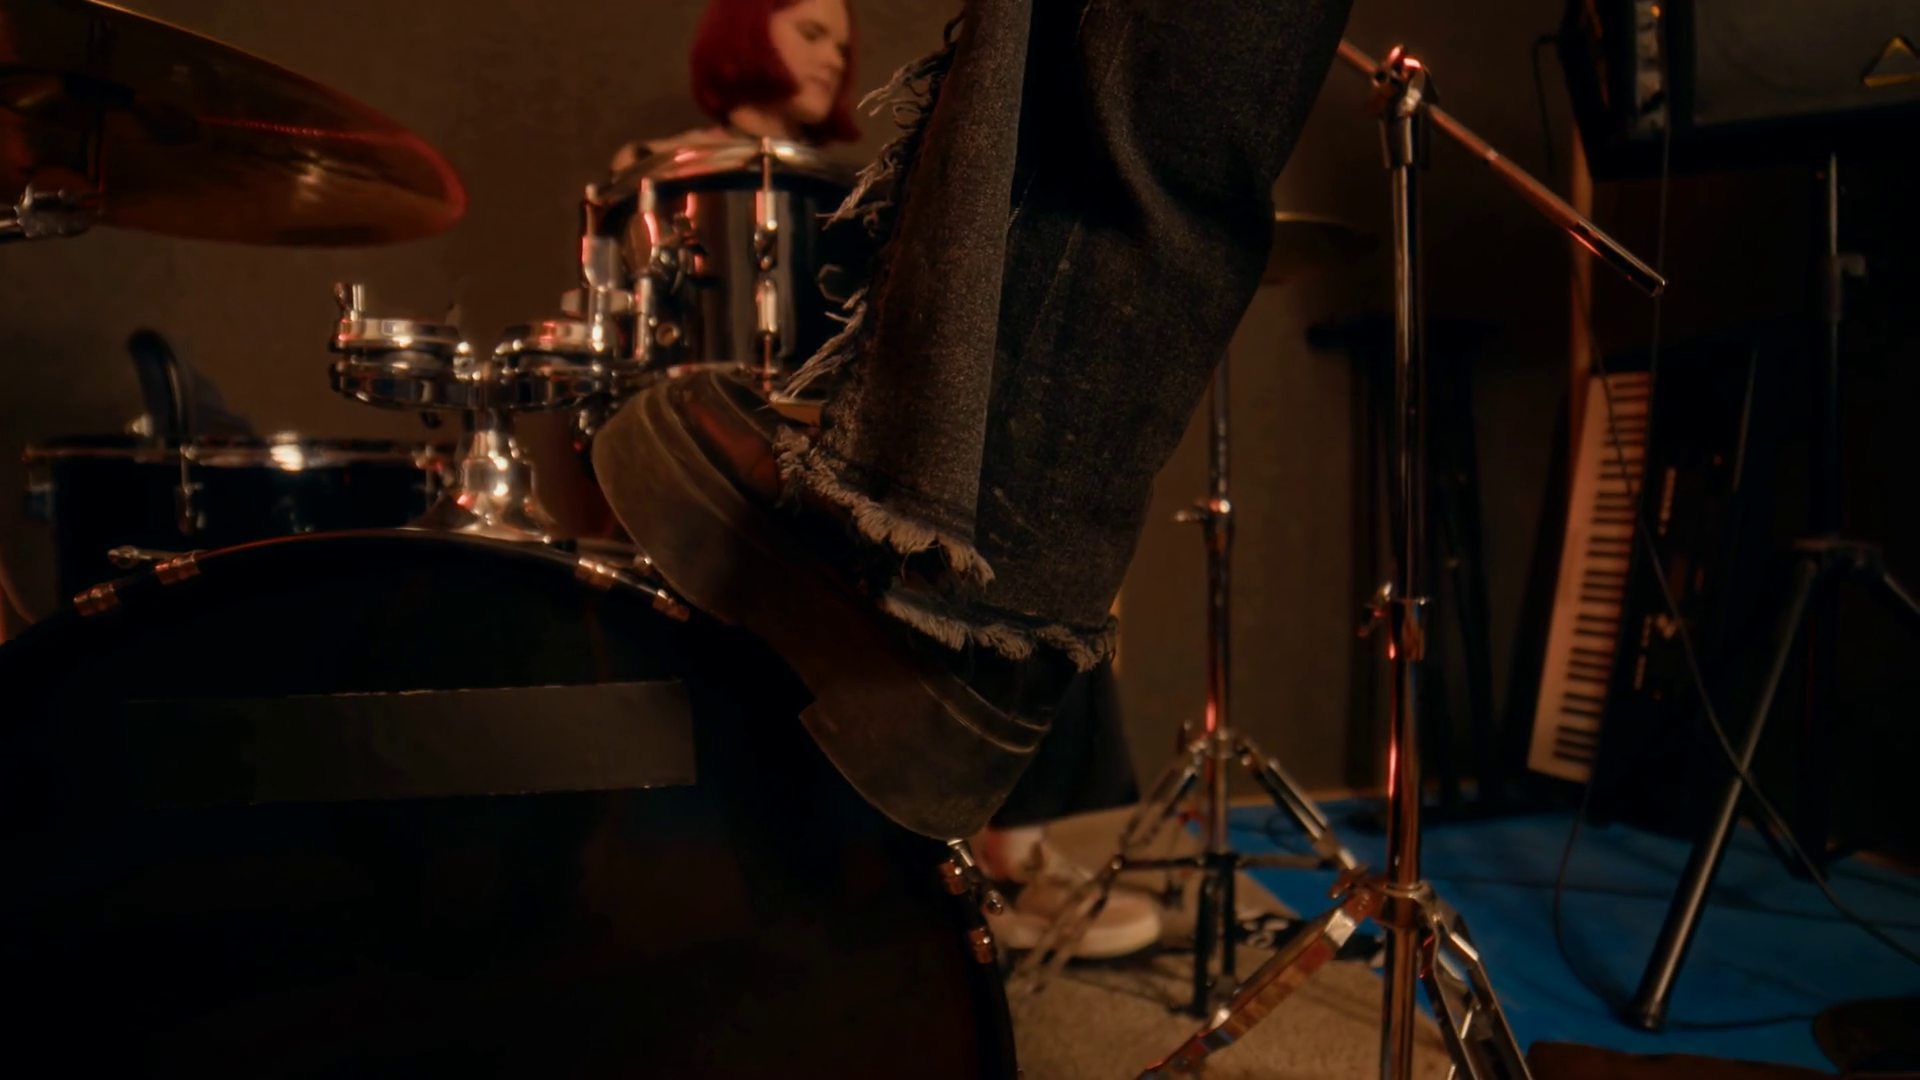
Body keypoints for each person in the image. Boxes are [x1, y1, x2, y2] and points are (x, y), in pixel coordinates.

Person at [594, 0, 1280, 958]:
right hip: (740, 388)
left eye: (844, 39)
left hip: (854, 420)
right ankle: (978, 735)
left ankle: (1014, 836)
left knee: (1021, 558)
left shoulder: (842, 175)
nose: (837, 55)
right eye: (810, 30)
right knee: (1030, 558)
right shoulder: (659, 172)